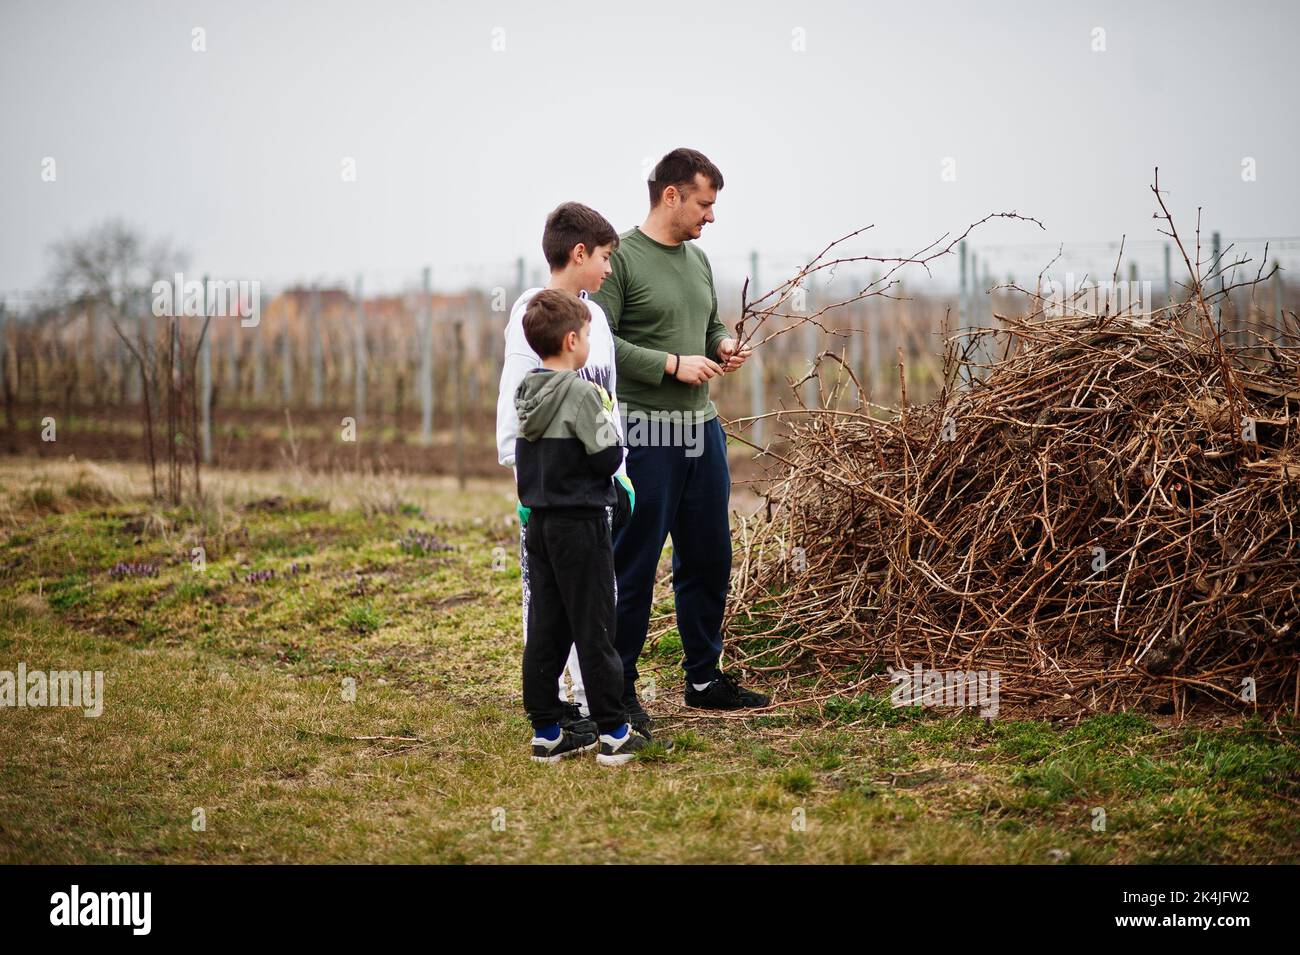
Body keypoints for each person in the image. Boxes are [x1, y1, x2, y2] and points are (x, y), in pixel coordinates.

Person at [592, 147, 770, 738]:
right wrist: (671, 364)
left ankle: (703, 680)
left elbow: (710, 320)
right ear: (671, 195)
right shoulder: (620, 261)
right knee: (635, 564)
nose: (710, 217)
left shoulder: (696, 261)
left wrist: (720, 345)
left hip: (703, 433)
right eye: (704, 203)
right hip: (646, 434)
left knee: (709, 558)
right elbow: (599, 346)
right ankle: (618, 689)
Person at [495, 202, 634, 737]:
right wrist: (526, 478)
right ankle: (567, 712)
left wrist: (620, 470)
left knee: (596, 598)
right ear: (579, 253)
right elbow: (518, 403)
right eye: (603, 257)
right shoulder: (537, 311)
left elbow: (607, 399)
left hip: (598, 482)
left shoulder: (592, 316)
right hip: (556, 491)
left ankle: (590, 706)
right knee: (555, 605)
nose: (608, 269)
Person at [513, 288, 649, 766]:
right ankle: (614, 732)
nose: (591, 342)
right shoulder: (582, 393)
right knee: (595, 627)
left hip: (541, 527)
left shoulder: (527, 392)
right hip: (582, 525)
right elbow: (609, 455)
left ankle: (547, 730)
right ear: (572, 341)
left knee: (546, 628)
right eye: (588, 335)